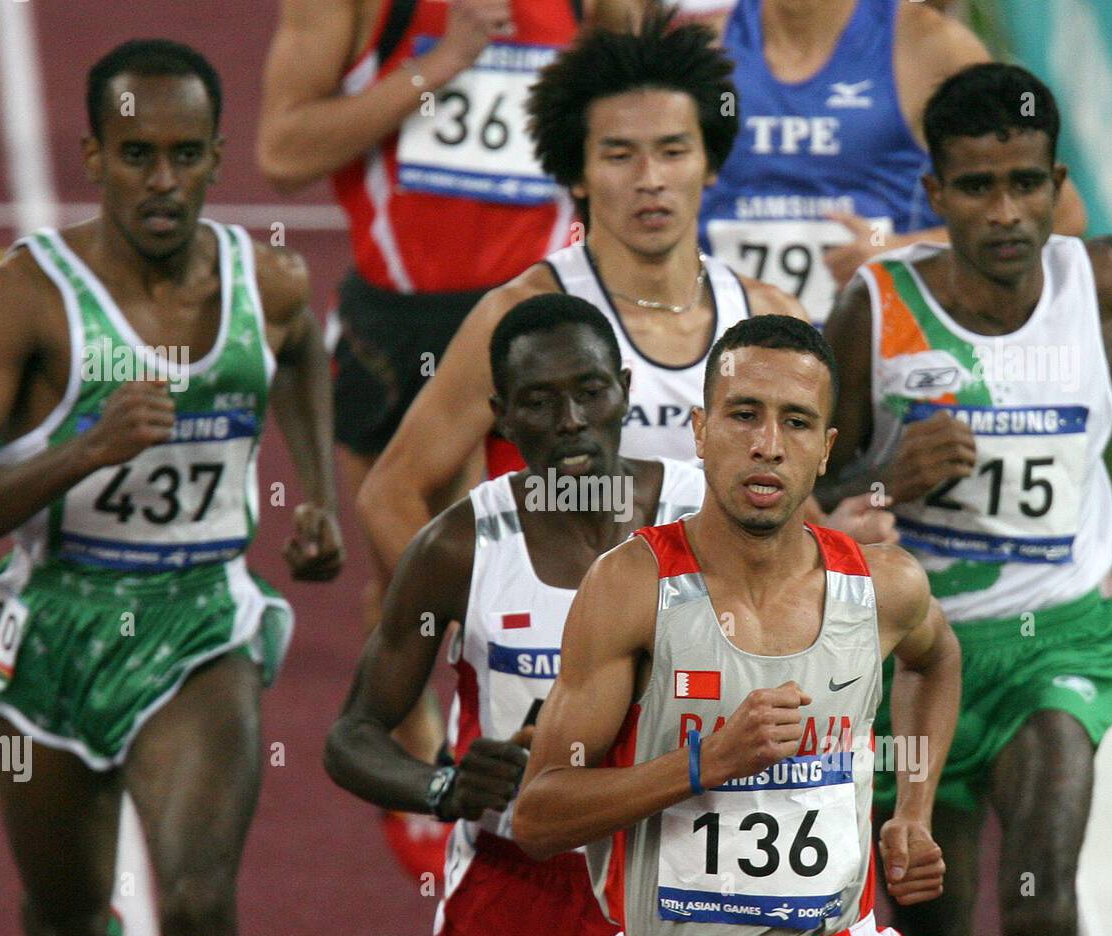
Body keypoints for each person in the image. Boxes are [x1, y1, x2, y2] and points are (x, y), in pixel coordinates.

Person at [0, 40, 342, 936]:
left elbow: (303, 354)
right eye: (136, 154)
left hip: (202, 621)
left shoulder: (266, 281)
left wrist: (316, 489)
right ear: (92, 158)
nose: (164, 181)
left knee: (198, 907)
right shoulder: (28, 298)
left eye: (187, 154)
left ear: (216, 156)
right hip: (56, 628)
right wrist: (83, 452)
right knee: (63, 928)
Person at [259, 0, 648, 872]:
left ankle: (582, 768)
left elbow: (643, 116)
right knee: (406, 572)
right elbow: (282, 150)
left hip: (539, 336)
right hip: (398, 326)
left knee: (567, 557)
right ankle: (433, 788)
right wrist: (442, 64)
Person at [818, 63, 1112, 936]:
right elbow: (805, 496)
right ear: (935, 194)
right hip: (915, 661)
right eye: (977, 187)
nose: (1008, 211)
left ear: (1059, 186)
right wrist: (885, 479)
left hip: (1054, 640)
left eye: (1028, 183)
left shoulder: (1102, 279)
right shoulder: (877, 310)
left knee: (1040, 908)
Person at [513, 315, 961, 936]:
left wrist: (913, 811)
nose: (768, 445)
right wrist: (706, 764)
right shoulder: (630, 589)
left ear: (825, 450)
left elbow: (937, 662)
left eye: (797, 423)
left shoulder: (884, 588)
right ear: (700, 430)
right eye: (744, 415)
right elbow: (538, 817)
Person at [358, 10, 872, 581]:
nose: (649, 178)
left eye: (673, 151)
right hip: (556, 659)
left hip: (710, 656)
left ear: (710, 165)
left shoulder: (770, 316)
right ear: (577, 174)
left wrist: (840, 537)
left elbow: (787, 504)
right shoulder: (521, 316)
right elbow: (391, 492)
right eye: (619, 155)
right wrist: (471, 621)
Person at [325, 293, 706, 936]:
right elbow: (352, 735)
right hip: (519, 892)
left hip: (681, 869)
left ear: (624, 390)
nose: (570, 423)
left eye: (589, 391)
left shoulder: (707, 518)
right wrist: (443, 786)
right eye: (538, 401)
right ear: (500, 416)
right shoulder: (457, 546)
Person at [696, 0, 1088, 324]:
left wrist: (901, 251)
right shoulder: (703, 49)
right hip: (732, 358)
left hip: (886, 353)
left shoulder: (927, 46)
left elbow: (1064, 214)